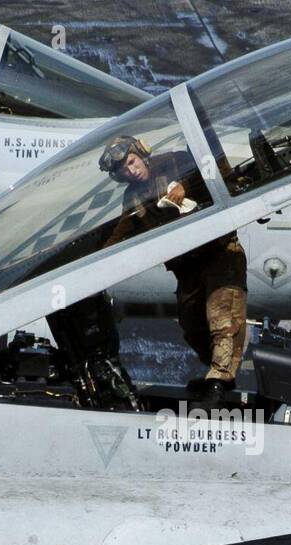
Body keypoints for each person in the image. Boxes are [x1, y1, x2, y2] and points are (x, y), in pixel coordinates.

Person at [98, 135, 247, 407]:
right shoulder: (133, 196)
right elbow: (123, 230)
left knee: (222, 316)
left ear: (141, 155)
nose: (131, 171)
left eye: (132, 162)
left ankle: (218, 381)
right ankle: (219, 374)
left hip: (219, 254)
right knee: (192, 326)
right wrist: (99, 260)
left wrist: (184, 186)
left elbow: (215, 172)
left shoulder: (176, 162)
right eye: (124, 170)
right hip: (187, 267)